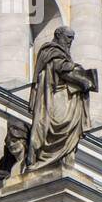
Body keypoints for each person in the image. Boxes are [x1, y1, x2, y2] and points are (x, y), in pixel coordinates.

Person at [26, 26, 96, 170]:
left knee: (70, 129)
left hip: (68, 97)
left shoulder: (63, 54)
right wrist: (82, 80)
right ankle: (43, 158)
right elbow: (61, 69)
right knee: (56, 124)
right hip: (56, 96)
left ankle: (63, 158)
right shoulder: (51, 50)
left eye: (72, 38)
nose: (71, 41)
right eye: (68, 37)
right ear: (58, 35)